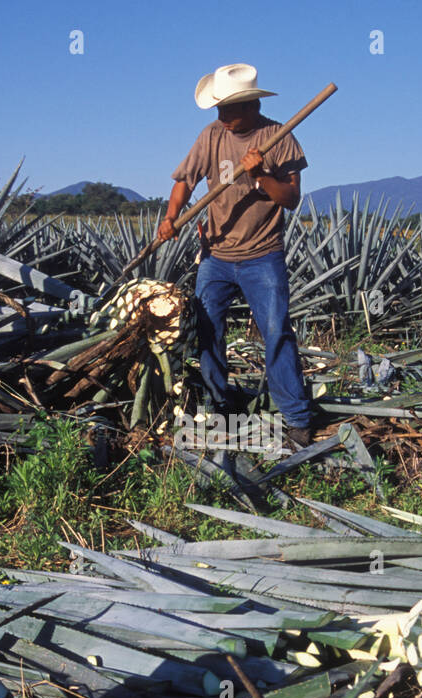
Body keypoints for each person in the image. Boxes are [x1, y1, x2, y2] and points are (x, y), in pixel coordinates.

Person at [158, 63, 314, 448]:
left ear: (251, 106)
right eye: (219, 109)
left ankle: (296, 417)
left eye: (229, 109)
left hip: (263, 255)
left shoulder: (279, 138)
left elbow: (291, 200)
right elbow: (184, 181)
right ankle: (219, 408)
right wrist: (171, 216)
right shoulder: (211, 136)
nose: (223, 117)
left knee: (276, 332)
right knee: (208, 331)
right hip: (216, 256)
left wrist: (261, 174)